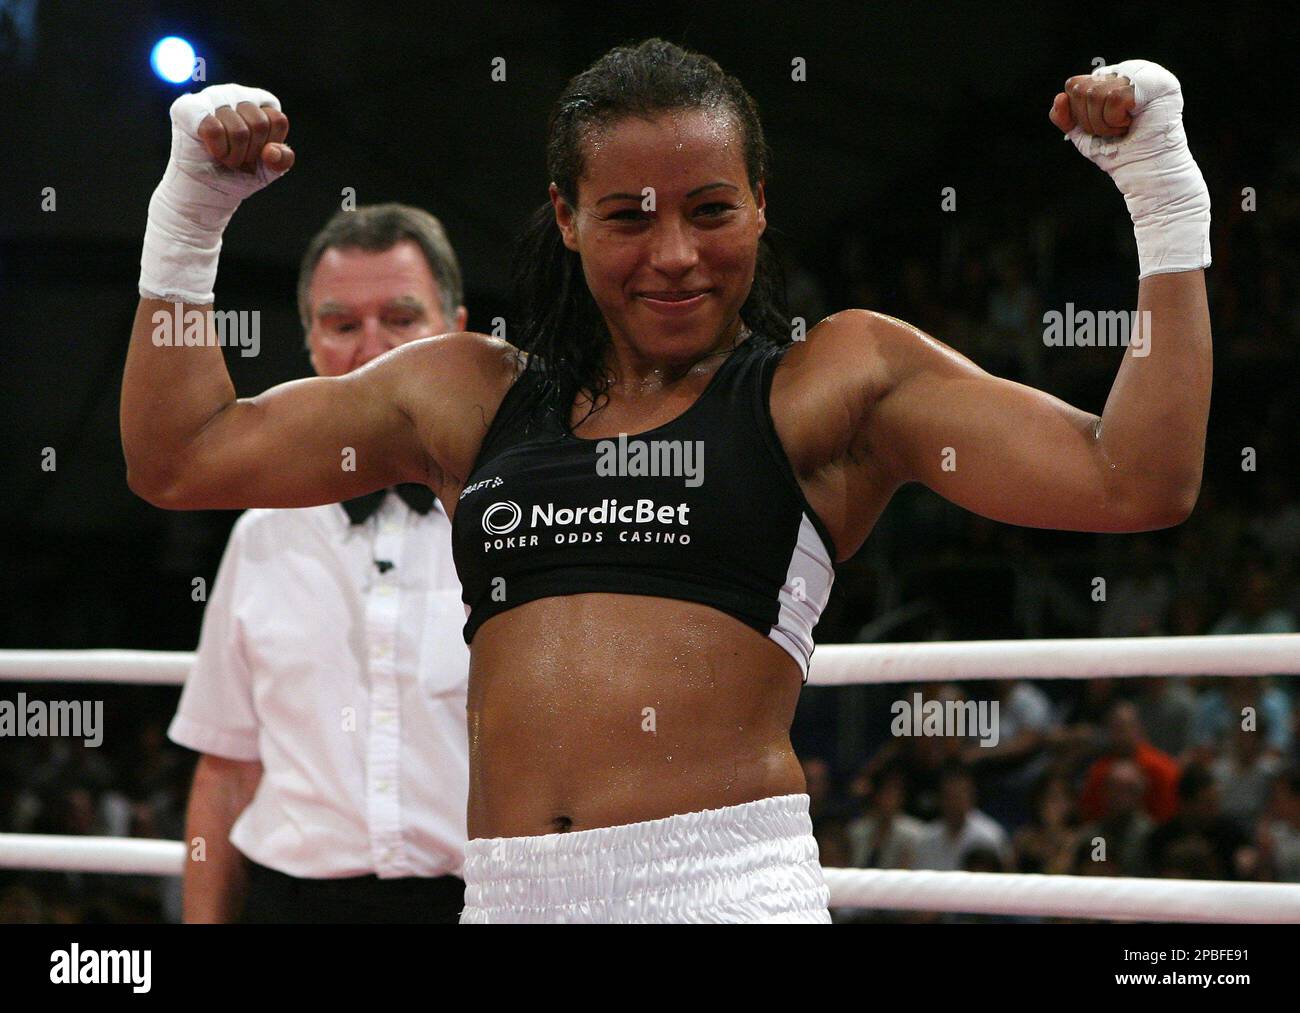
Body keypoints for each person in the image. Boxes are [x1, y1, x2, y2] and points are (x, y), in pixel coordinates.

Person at [121, 40, 1212, 923]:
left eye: (709, 209)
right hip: (501, 896)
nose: (675, 254)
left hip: (723, 890)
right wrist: (192, 219)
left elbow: (1134, 480)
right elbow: (180, 457)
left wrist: (1162, 202)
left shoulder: (832, 383)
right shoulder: (466, 395)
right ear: (566, 217)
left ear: (761, 203)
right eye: (629, 217)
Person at [167, 204, 472, 923]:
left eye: (401, 317)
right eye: (342, 323)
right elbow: (226, 769)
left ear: (457, 331)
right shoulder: (261, 534)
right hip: (292, 901)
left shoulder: (515, 521)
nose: (373, 349)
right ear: (310, 341)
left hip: (482, 901)